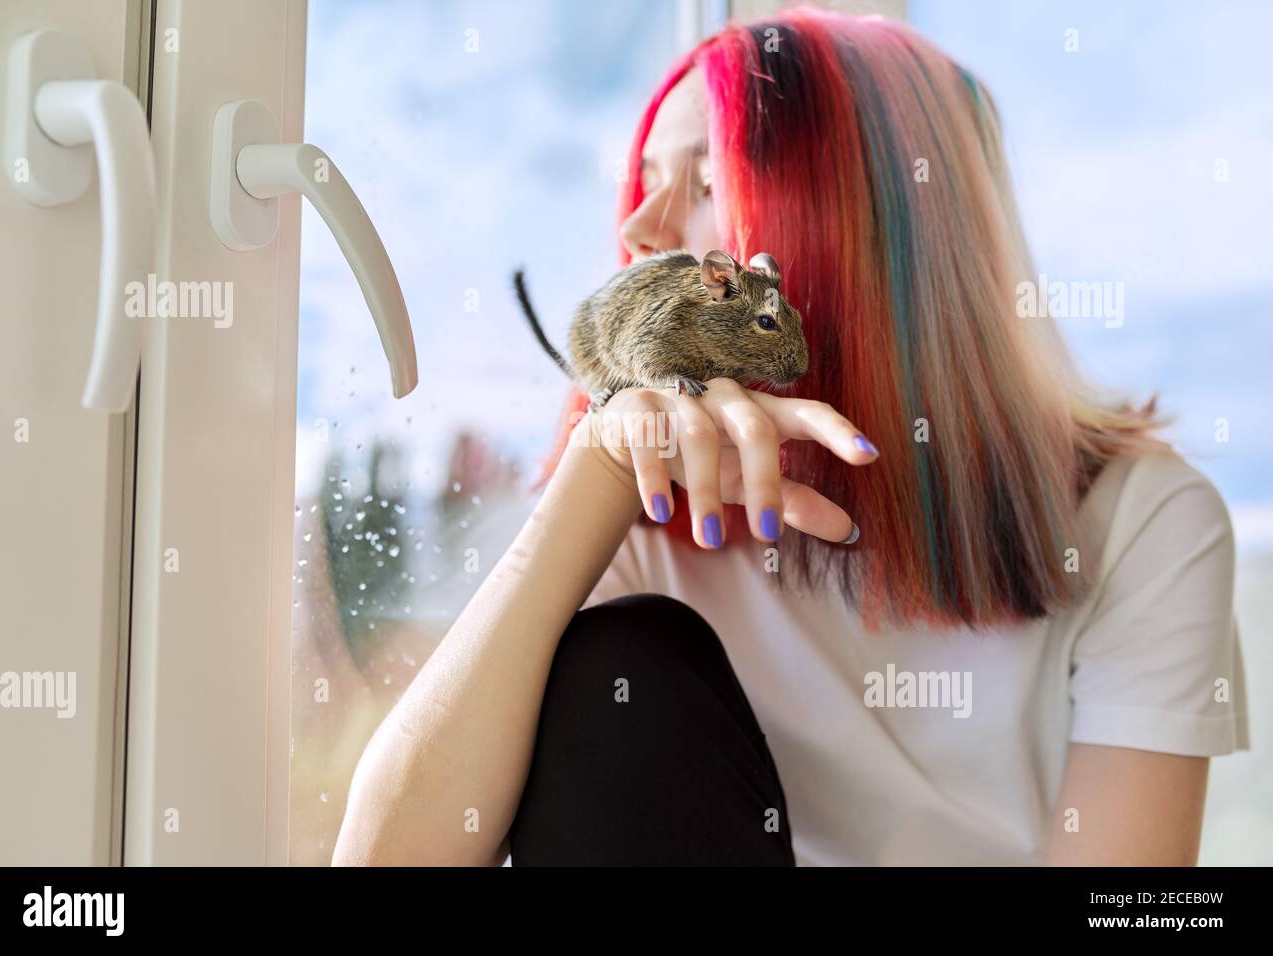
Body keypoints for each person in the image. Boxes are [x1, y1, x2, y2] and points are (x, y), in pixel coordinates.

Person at [333, 6, 1248, 866]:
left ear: (870, 229)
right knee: (614, 669)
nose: (639, 230)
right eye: (645, 184)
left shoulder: (1143, 524)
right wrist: (596, 474)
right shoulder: (640, 507)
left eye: (701, 184)